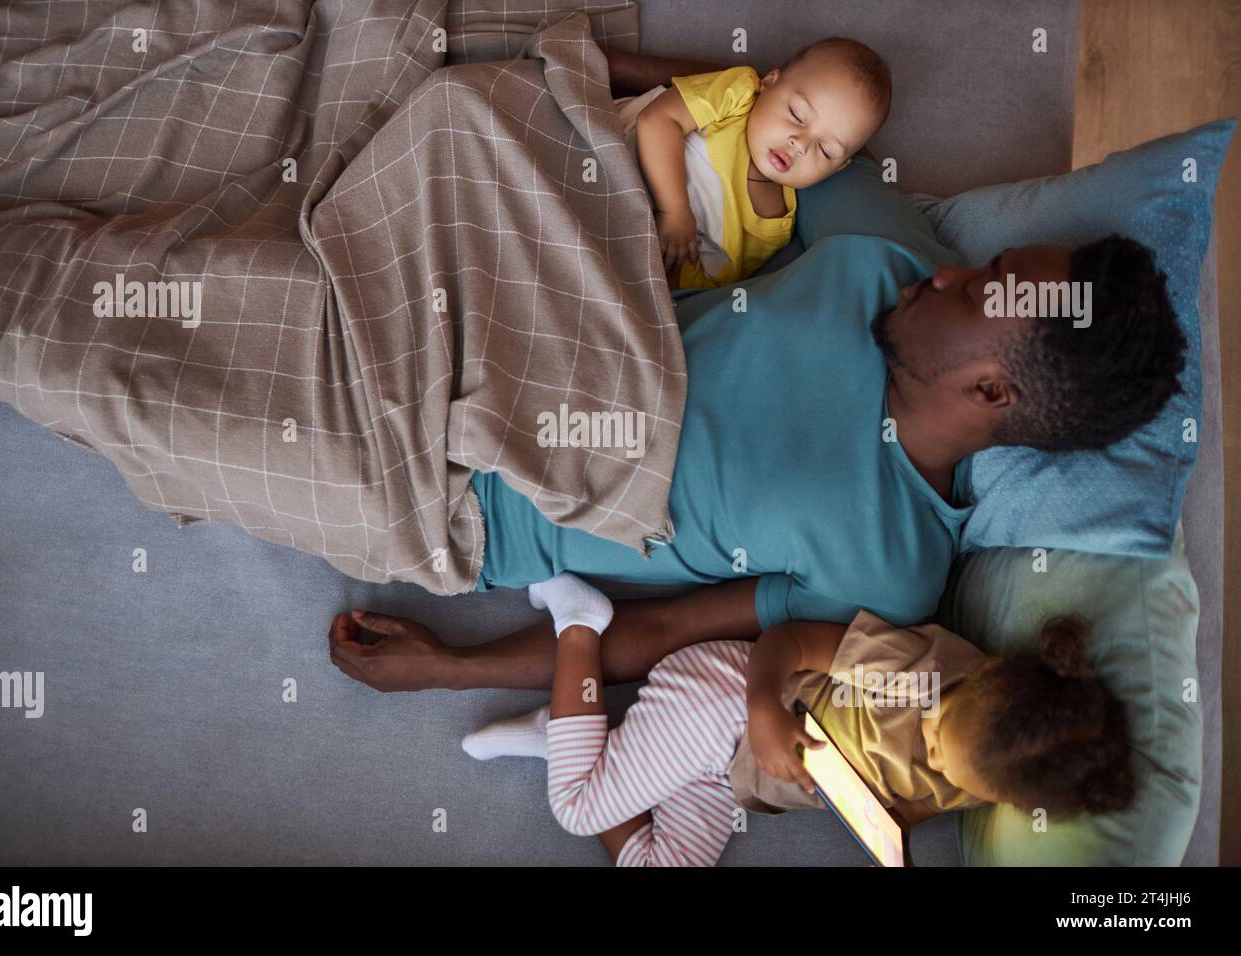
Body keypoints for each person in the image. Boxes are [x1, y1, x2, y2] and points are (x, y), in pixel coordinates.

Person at [324, 47, 1186, 698]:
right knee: (454, 116)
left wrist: (450, 667)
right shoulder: (890, 258)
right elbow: (781, 130)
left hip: (459, 506)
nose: (951, 271)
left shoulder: (892, 569)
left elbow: (658, 630)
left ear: (993, 393)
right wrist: (616, 72)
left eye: (983, 291)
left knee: (197, 408)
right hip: (502, 325)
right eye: (987, 262)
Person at [457, 573, 1132, 866]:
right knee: (577, 810)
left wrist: (888, 845)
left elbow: (913, 804)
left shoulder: (984, 771)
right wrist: (766, 714)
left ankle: (572, 736)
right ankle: (580, 623)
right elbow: (791, 641)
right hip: (730, 703)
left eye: (942, 762)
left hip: (734, 777)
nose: (928, 740)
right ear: (981, 676)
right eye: (938, 724)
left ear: (993, 796)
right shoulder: (918, 669)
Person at [616, 37, 890, 289]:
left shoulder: (773, 226)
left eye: (826, 150)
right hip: (610, 150)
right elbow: (658, 120)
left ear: (838, 168)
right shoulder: (739, 94)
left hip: (622, 234)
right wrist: (674, 211)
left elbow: (698, 282)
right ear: (769, 82)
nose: (800, 144)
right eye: (796, 114)